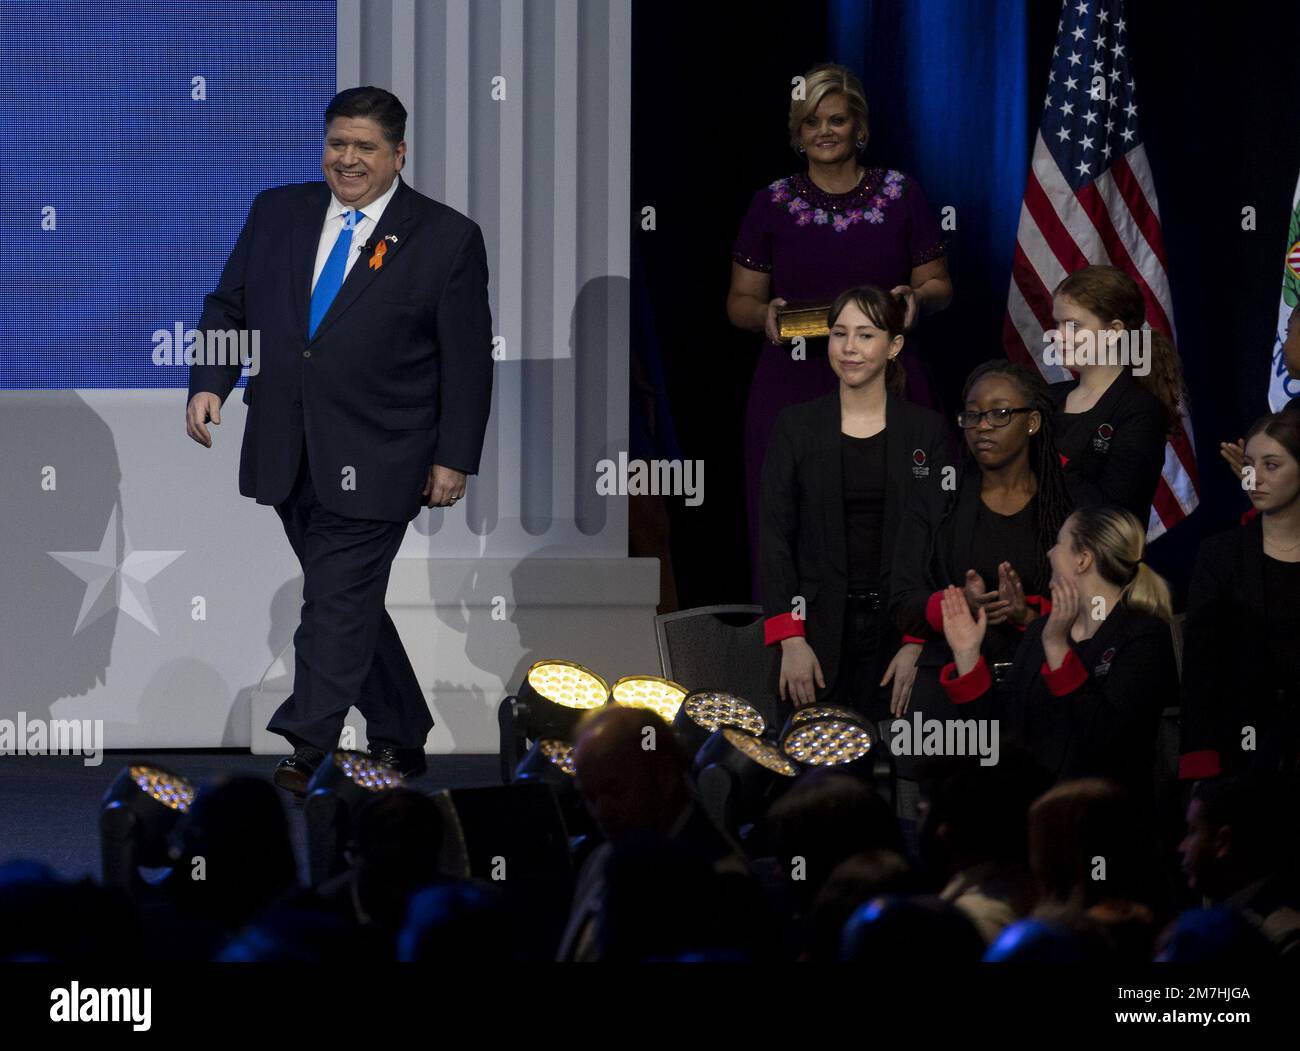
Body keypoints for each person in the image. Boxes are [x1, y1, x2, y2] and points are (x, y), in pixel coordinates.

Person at [185, 87, 494, 794]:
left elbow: (467, 362)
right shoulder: (278, 211)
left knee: (333, 599)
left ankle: (308, 744)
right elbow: (227, 304)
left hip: (385, 453)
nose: (347, 160)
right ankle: (401, 728)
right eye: (337, 144)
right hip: (286, 448)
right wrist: (211, 381)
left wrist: (454, 456)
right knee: (346, 598)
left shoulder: (446, 237)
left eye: (365, 148)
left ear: (398, 155)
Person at [727, 62, 951, 602]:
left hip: (888, 381)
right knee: (792, 524)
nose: (824, 131)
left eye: (837, 119)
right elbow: (739, 301)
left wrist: (919, 299)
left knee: (903, 517)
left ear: (860, 128)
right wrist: (764, 317)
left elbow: (940, 284)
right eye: (811, 122)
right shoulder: (771, 202)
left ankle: (905, 649)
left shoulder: (903, 194)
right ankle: (794, 650)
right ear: (797, 134)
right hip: (794, 382)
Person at [760, 286, 950, 721]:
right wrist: (791, 639)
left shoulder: (927, 432)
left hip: (898, 635)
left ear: (894, 346)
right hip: (813, 636)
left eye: (865, 335)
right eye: (839, 334)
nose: (849, 348)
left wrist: (916, 642)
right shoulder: (795, 427)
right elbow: (775, 539)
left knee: (891, 777)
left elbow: (939, 543)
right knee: (815, 779)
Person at [887, 360, 1074, 771]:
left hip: (1039, 682)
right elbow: (901, 598)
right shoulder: (937, 495)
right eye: (972, 415)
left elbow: (1100, 600)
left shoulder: (1068, 500)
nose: (982, 426)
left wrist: (1030, 613)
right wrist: (957, 604)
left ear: (1032, 423)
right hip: (949, 687)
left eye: (1000, 413)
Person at [937, 506, 1178, 800]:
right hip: (1034, 817)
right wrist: (967, 655)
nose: (1050, 553)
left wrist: (1057, 649)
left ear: (1083, 559)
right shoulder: (1041, 631)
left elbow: (1109, 746)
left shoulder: (1144, 634)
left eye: (1059, 543)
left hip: (1105, 820)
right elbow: (1000, 738)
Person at [1180, 411, 1300, 780]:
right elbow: (1201, 668)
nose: (1254, 477)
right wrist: (1201, 769)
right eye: (1248, 464)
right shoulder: (1221, 555)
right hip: (1244, 752)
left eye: (1271, 465)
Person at [1048, 265, 1186, 525]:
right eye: (1057, 323)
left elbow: (1115, 512)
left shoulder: (1141, 411)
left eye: (1073, 325)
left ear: (1113, 332)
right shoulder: (1048, 398)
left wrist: (1042, 463)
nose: (1059, 336)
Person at [1178, 772, 1300, 957]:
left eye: (1192, 832)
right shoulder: (1214, 910)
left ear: (1222, 841)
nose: (1181, 847)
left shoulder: (1282, 937)